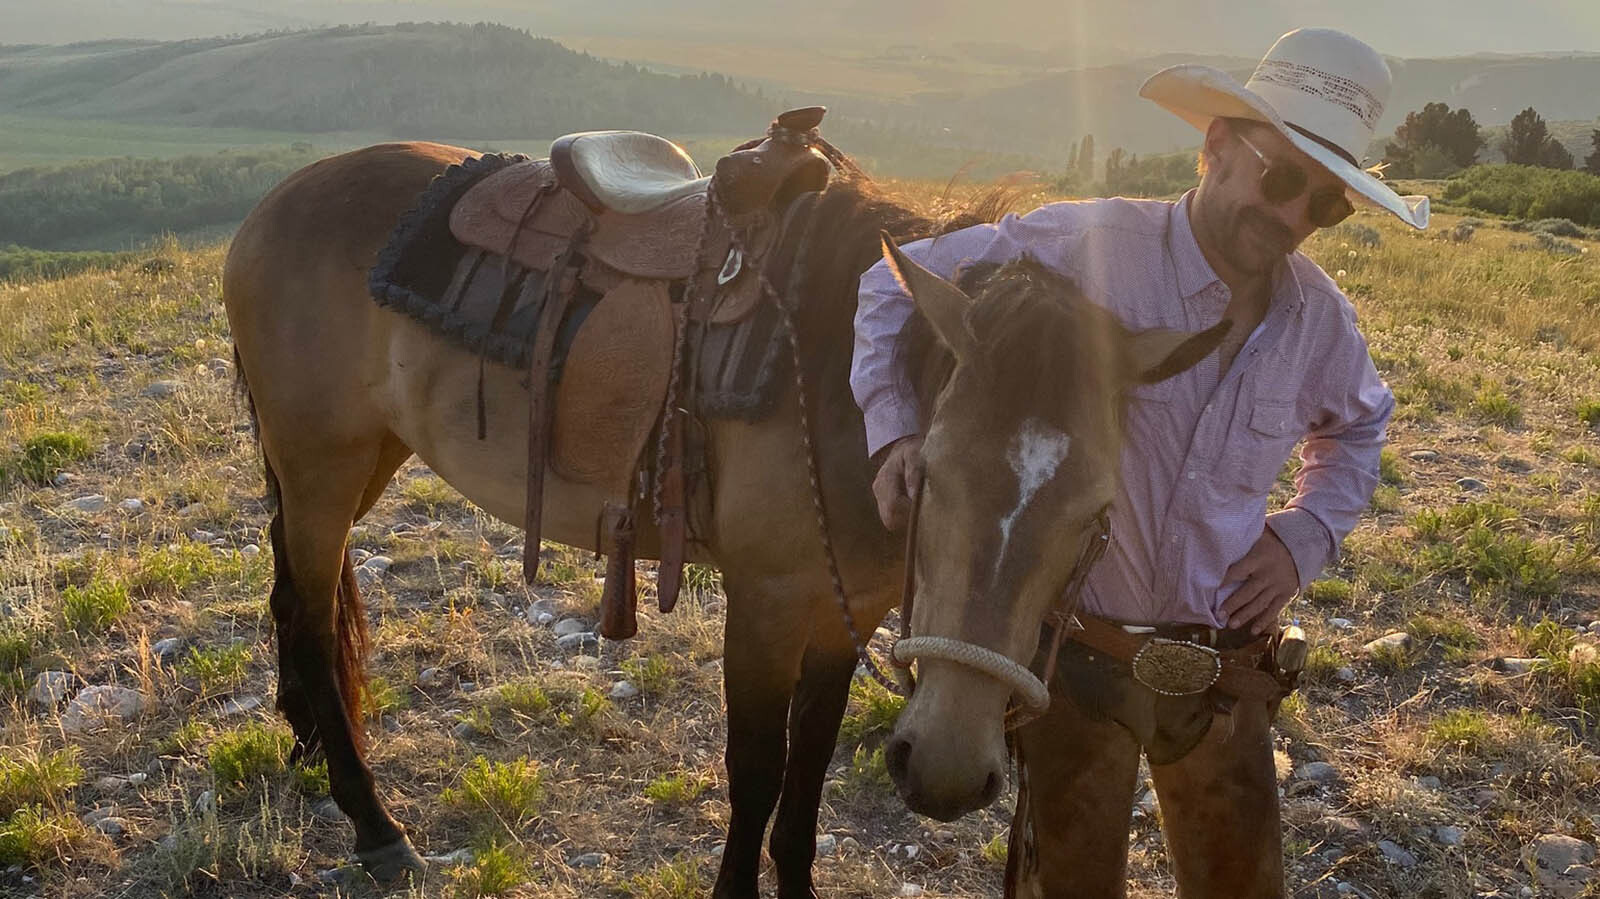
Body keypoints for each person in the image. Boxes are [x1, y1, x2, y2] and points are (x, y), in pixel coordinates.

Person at [850, 27, 1426, 898]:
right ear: (1216, 146)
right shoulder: (1091, 241)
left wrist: (1306, 533)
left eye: (1324, 204)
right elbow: (891, 283)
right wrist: (895, 432)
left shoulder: (1318, 322)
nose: (1291, 217)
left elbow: (1361, 426)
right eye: (1279, 179)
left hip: (1224, 668)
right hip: (1083, 658)